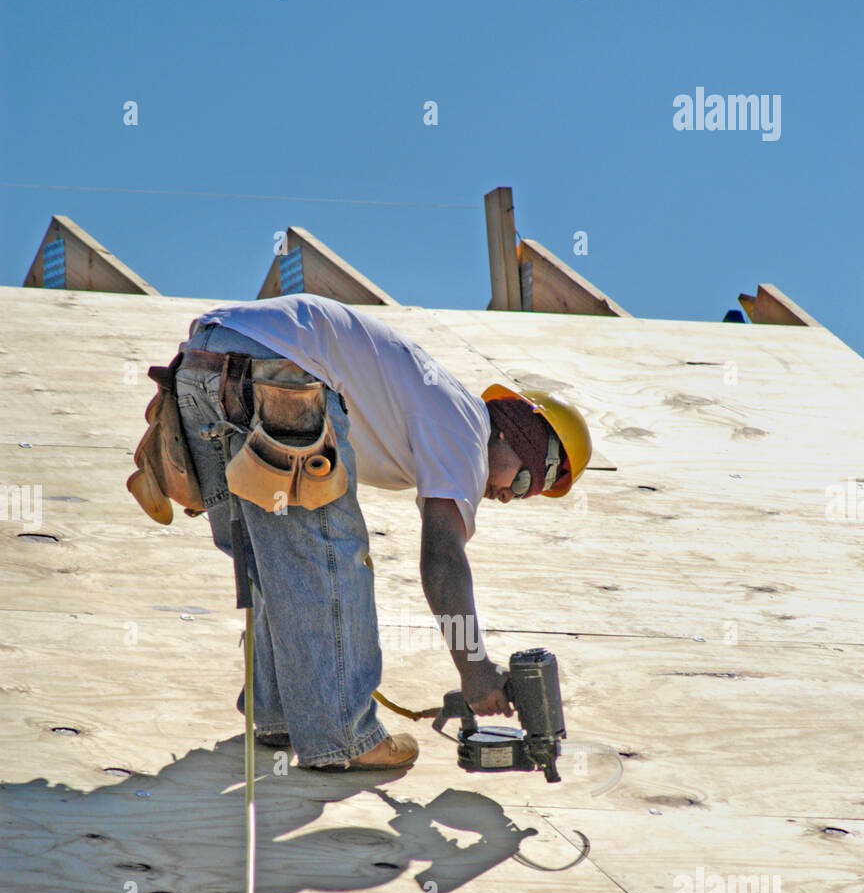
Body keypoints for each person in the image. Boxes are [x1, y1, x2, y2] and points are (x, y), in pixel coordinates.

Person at [170, 294, 590, 772]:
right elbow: (443, 559)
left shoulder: (430, 406)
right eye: (522, 480)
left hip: (203, 365)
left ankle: (280, 715)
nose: (510, 496)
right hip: (277, 366)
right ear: (514, 433)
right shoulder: (468, 425)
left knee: (274, 560)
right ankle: (344, 737)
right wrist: (474, 668)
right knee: (333, 560)